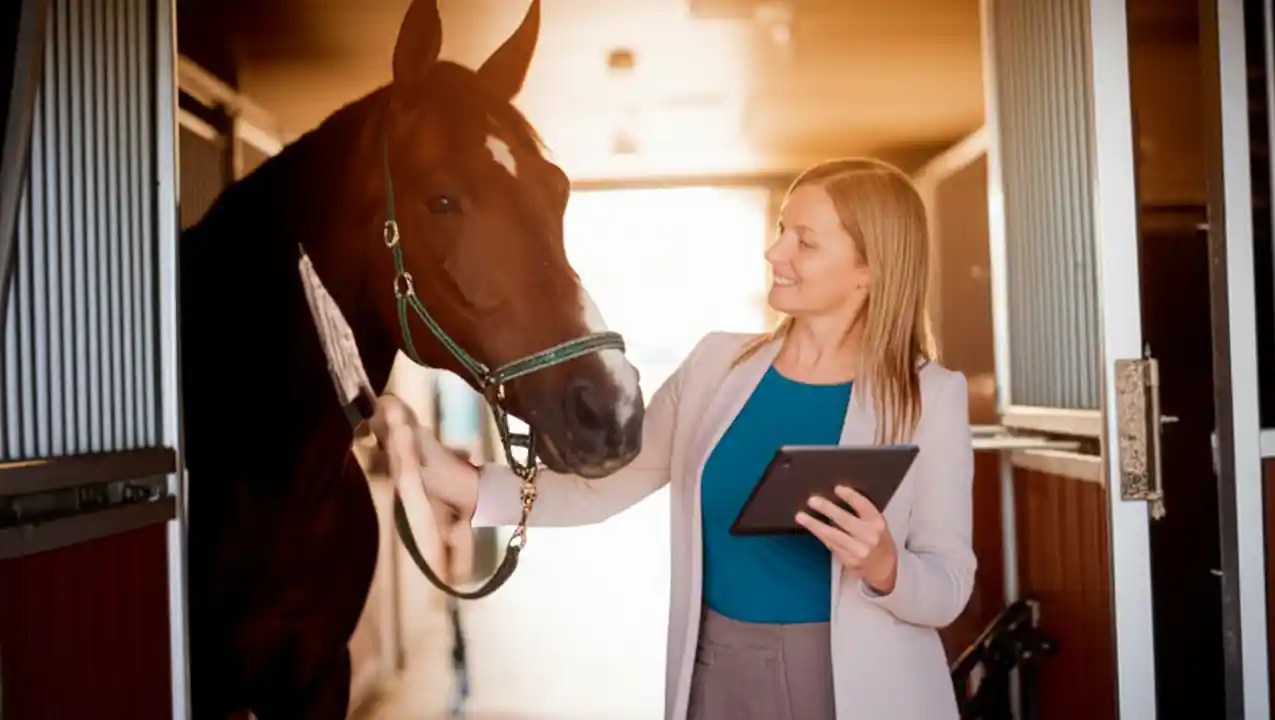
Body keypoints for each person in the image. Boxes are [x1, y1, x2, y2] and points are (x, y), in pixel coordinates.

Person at [371, 157, 975, 720]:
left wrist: (885, 566)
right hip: (716, 668)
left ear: (868, 272)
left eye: (805, 241)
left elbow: (948, 586)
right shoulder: (716, 365)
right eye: (782, 229)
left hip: (858, 687)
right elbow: (600, 488)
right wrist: (457, 481)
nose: (775, 251)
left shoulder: (932, 397)